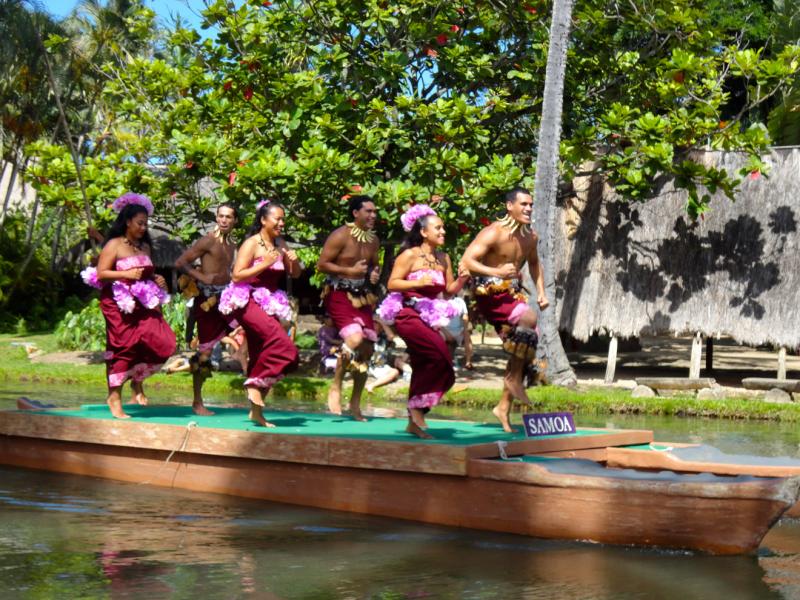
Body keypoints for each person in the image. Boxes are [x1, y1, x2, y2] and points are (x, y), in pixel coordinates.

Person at [461, 187, 549, 432]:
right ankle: (513, 381)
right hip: (489, 295)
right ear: (510, 205)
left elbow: (534, 264)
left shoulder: (531, 237)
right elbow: (467, 260)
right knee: (528, 318)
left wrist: (541, 292)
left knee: (527, 343)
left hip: (511, 295)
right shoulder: (493, 233)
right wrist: (497, 272)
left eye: (531, 204)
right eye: (524, 204)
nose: (529, 208)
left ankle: (502, 406)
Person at [380, 204, 468, 438]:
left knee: (428, 365)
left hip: (430, 316)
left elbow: (448, 291)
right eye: (437, 228)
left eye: (443, 228)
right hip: (409, 315)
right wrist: (417, 283)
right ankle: (416, 409)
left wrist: (461, 279)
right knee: (438, 356)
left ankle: (414, 419)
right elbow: (392, 283)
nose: (443, 232)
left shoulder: (443, 258)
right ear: (423, 232)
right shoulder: (409, 255)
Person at [92, 192, 176, 419]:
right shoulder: (114, 244)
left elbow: (148, 274)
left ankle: (136, 379)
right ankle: (114, 397)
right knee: (123, 347)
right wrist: (126, 273)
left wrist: (157, 280)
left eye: (145, 224)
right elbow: (101, 273)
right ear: (127, 222)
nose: (143, 227)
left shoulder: (144, 247)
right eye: (140, 223)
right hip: (117, 302)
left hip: (142, 302)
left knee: (164, 341)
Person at [220, 201, 301, 427]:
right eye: (278, 219)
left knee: (261, 352)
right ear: (264, 220)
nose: (282, 223)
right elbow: (237, 276)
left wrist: (294, 262)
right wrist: (264, 263)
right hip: (247, 300)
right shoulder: (251, 243)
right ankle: (254, 384)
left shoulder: (280, 244)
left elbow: (294, 274)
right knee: (283, 347)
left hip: (269, 302)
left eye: (284, 219)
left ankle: (256, 412)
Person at [316, 195, 381, 421]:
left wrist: (374, 272)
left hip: (361, 296)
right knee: (354, 340)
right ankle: (336, 385)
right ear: (355, 213)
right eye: (368, 211)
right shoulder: (340, 235)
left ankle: (355, 401)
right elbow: (321, 264)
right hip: (338, 294)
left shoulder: (373, 240)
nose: (373, 215)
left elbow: (374, 264)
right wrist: (349, 272)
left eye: (374, 212)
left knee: (367, 348)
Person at [173, 204, 238, 415]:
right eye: (221, 216)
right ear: (216, 218)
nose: (224, 220)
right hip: (207, 301)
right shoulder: (208, 240)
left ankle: (254, 394)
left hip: (225, 299)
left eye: (228, 217)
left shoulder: (232, 244)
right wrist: (202, 277)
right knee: (205, 352)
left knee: (247, 334)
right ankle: (197, 401)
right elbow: (181, 262)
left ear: (234, 220)